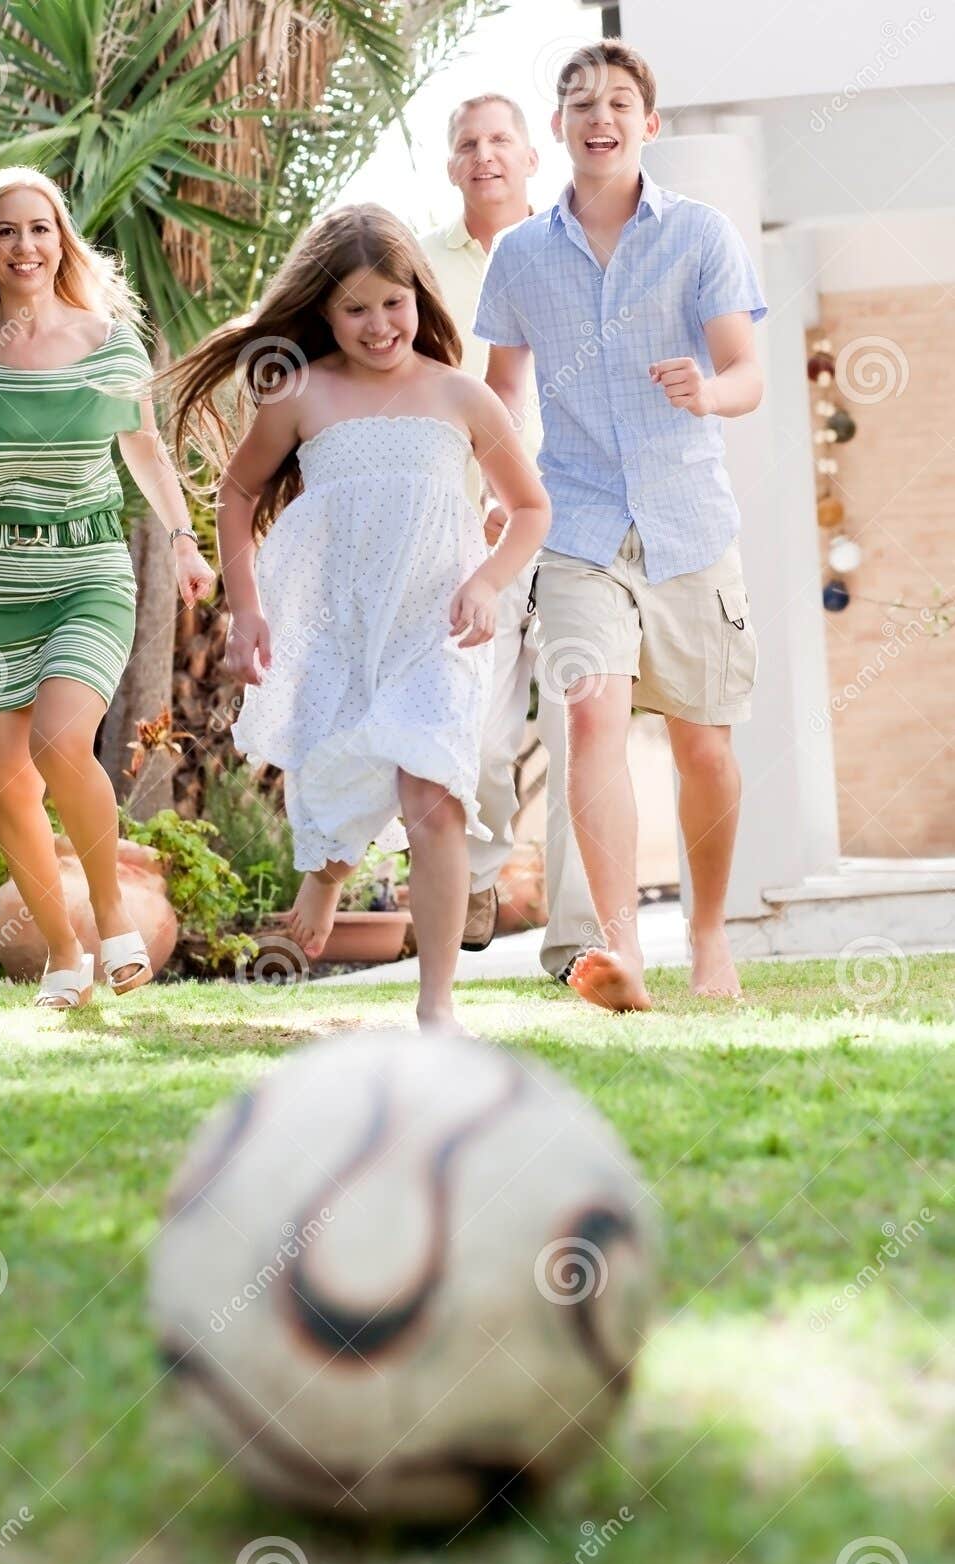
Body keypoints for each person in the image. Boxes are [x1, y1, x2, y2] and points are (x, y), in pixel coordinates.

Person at [168, 204, 549, 1031]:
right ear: (323, 314)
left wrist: (487, 582)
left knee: (431, 793)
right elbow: (236, 496)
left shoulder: (461, 395)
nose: (378, 325)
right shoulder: (302, 394)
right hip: (340, 621)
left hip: (437, 626)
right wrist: (248, 610)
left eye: (392, 302)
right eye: (354, 308)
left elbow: (530, 509)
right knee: (340, 755)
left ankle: (436, 1003)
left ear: (418, 295)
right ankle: (329, 873)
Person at [474, 39, 766, 1011]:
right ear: (557, 127)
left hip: (687, 520)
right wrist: (500, 480)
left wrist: (708, 391)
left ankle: (708, 930)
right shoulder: (519, 255)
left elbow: (746, 371)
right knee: (589, 710)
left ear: (648, 123)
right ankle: (616, 949)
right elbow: (501, 392)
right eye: (578, 102)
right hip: (577, 523)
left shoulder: (698, 236)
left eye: (616, 102)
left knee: (702, 747)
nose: (597, 116)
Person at [0, 167, 215, 1010]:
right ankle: (62, 956)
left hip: (87, 570)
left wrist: (185, 538)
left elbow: (146, 452)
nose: (24, 246)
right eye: (5, 231)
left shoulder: (107, 341)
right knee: (7, 781)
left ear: (61, 241)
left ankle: (112, 911)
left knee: (57, 741)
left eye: (39, 229)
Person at [420, 94, 593, 979]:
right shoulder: (418, 265)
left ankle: (578, 938)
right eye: (466, 143)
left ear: (534, 155)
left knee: (576, 735)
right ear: (450, 166)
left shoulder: (576, 251)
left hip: (571, 527)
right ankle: (482, 869)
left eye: (499, 141)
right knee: (477, 740)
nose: (483, 155)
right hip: (466, 540)